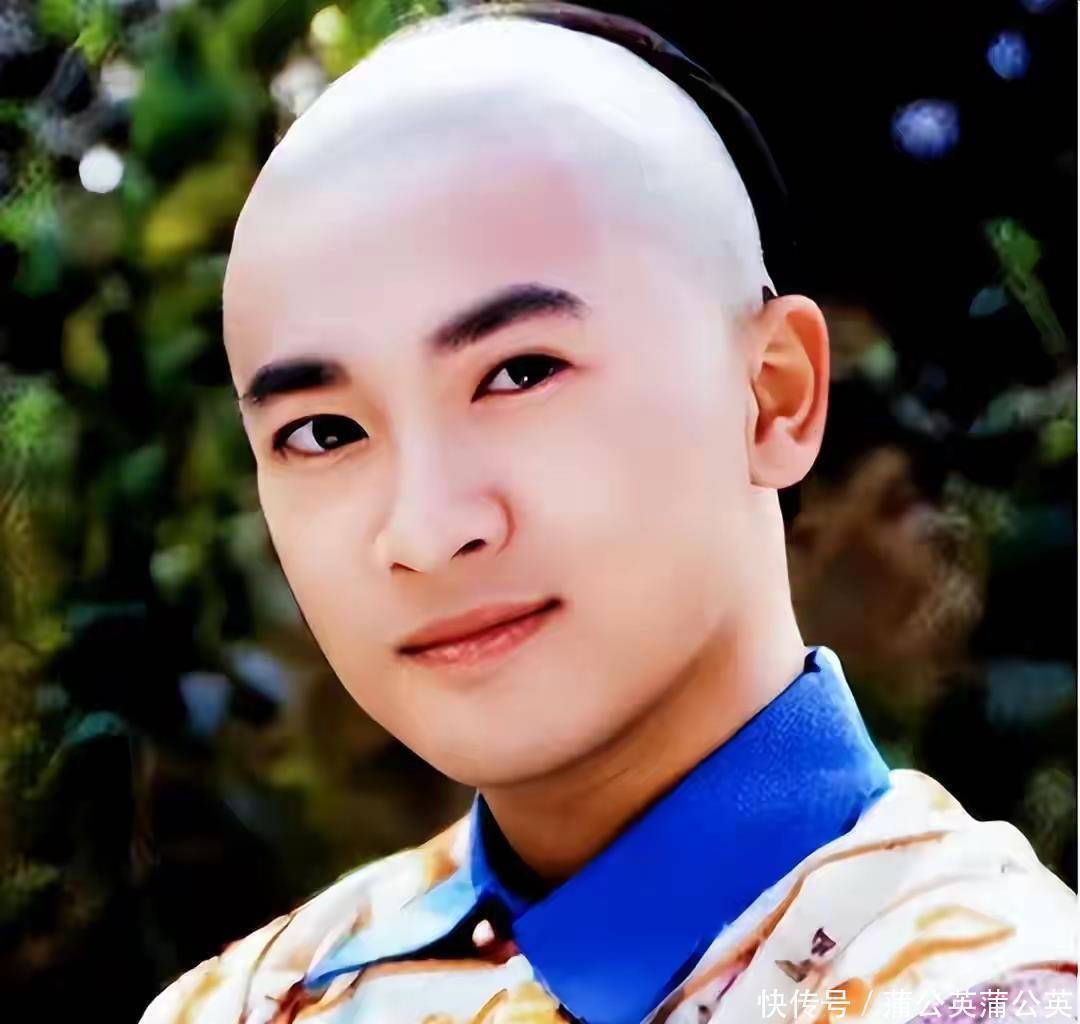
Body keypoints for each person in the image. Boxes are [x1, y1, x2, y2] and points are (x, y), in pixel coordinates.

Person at [140, 3, 1077, 1022]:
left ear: (774, 394)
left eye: (520, 371)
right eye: (324, 432)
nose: (425, 531)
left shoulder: (982, 990)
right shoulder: (249, 1001)